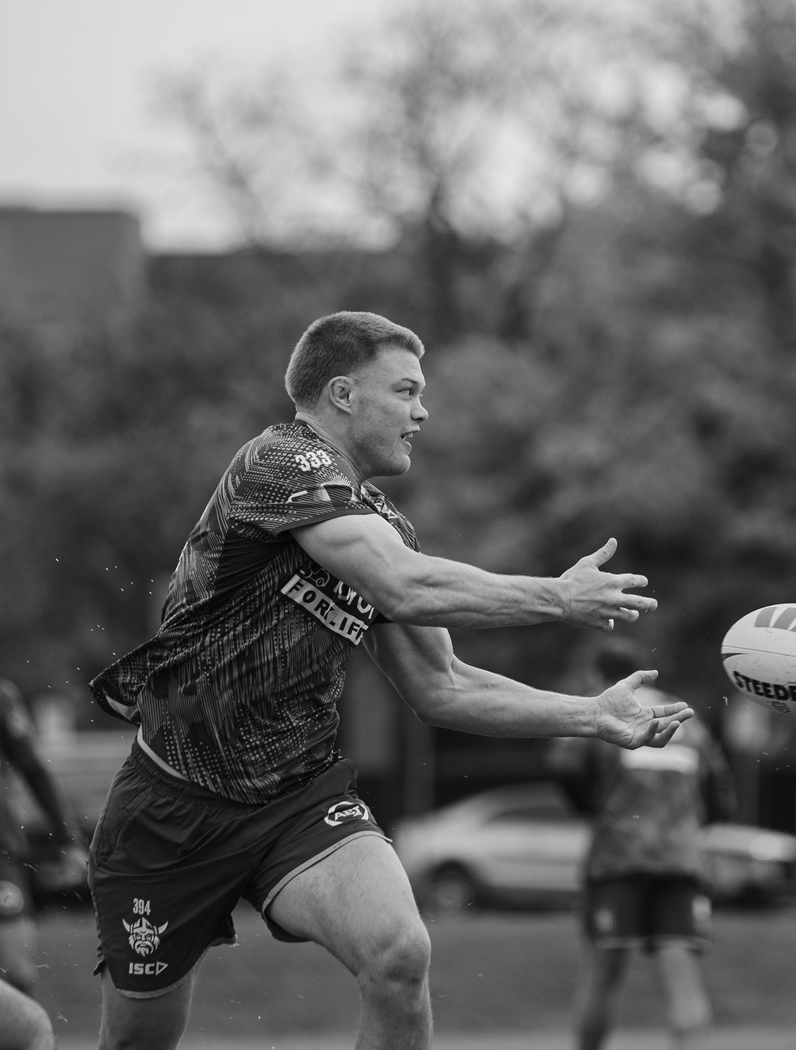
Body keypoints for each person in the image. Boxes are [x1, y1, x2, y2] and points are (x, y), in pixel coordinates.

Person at [87, 309, 694, 1050]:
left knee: (399, 953)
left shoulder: (384, 526)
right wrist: (556, 598)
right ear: (343, 394)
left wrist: (592, 715)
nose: (422, 411)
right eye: (405, 391)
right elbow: (402, 587)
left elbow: (442, 686)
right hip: (171, 808)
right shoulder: (279, 463)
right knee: (135, 1044)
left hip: (296, 805)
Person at [549, 636, 737, 1050]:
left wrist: (593, 806)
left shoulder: (601, 709)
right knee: (682, 979)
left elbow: (565, 767)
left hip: (618, 861)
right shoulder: (689, 720)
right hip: (683, 863)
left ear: (598, 673)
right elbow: (722, 794)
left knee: (604, 975)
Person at [0, 678, 88, 1000]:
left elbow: (35, 771)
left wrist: (69, 840)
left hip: (1, 854)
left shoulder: (1, 697)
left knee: (18, 975)